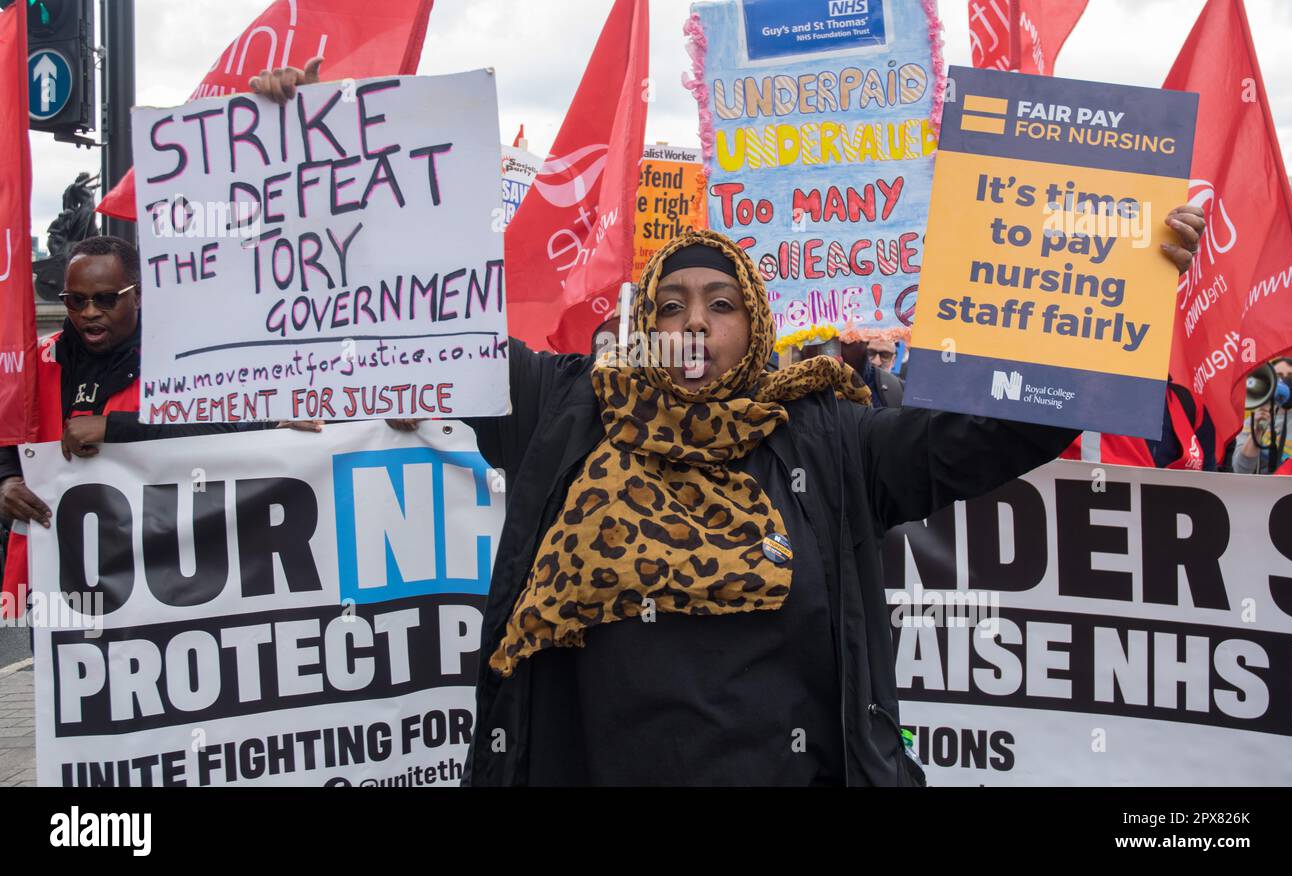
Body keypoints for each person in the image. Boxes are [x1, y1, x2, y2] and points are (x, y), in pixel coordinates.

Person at [252, 61, 1206, 786]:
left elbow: (980, 438)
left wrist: (1131, 284)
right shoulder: (568, 407)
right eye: (670, 305)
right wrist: (315, 147)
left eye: (720, 303)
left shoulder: (829, 437)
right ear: (644, 324)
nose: (693, 323)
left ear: (755, 325)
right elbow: (418, 321)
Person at [0, 236, 300, 609]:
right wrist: (6, 480)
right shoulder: (32, 365)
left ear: (137, 295)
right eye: (76, 300)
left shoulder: (178, 361)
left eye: (106, 299)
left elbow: (218, 430)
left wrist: (115, 429)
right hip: (52, 577)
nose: (89, 312)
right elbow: (7, 438)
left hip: (152, 575)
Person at [1233, 357, 1292, 474]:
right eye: (1278, 376)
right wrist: (1257, 431)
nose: (1285, 381)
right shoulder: (1253, 421)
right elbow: (1241, 470)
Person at [841, 337, 904, 409]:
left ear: (893, 360)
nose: (876, 362)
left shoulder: (902, 391)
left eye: (885, 355)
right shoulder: (845, 383)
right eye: (871, 353)